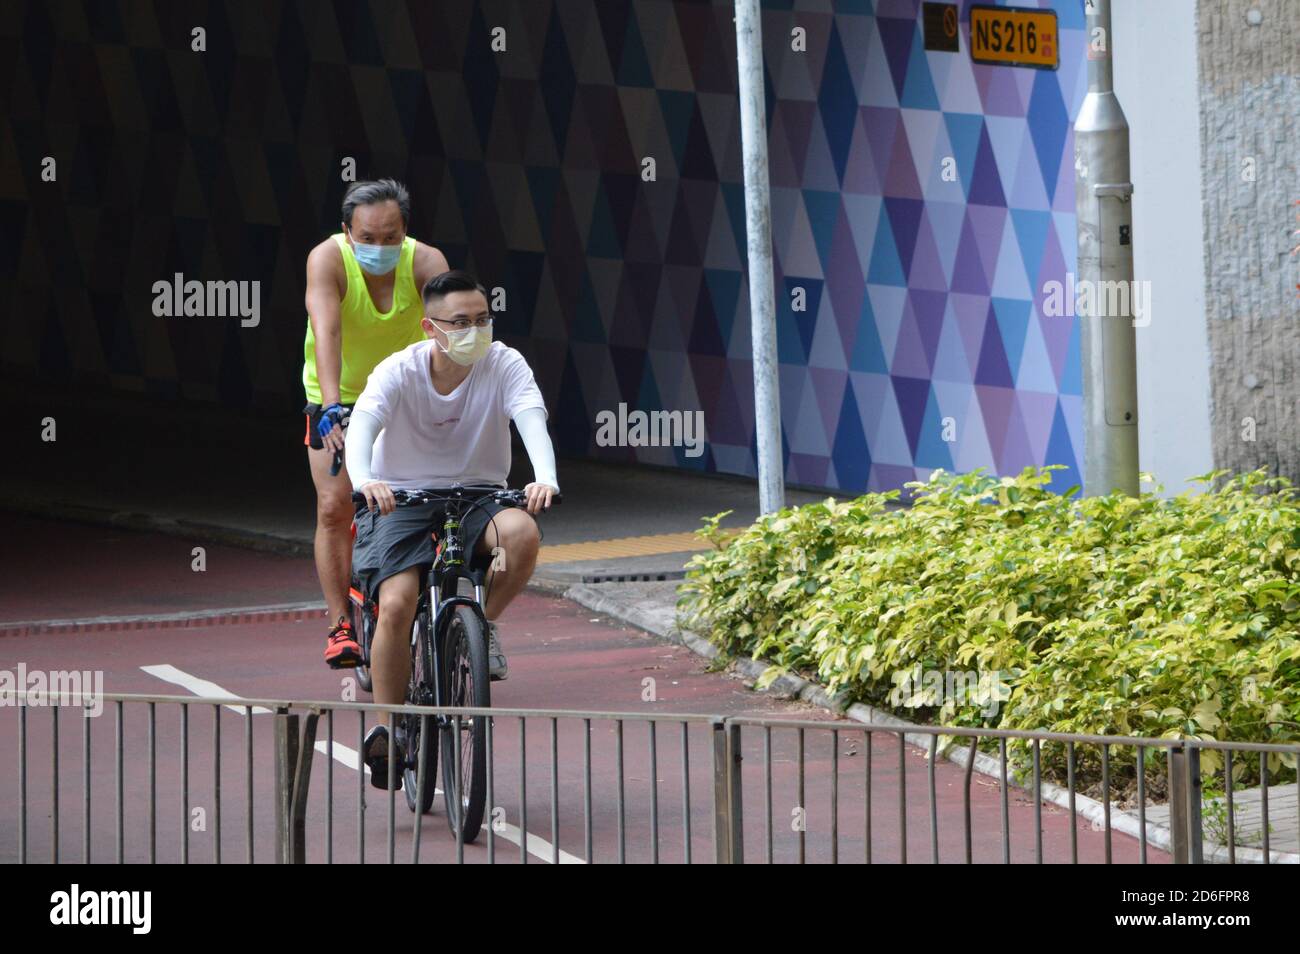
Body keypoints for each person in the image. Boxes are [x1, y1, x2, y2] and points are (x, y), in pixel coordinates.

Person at [344, 270, 559, 785]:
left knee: (522, 535)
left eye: (483, 319)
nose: (475, 331)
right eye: (460, 322)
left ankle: (481, 625)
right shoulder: (398, 371)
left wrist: (545, 477)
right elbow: (364, 426)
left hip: (479, 496)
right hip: (400, 497)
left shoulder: (504, 363)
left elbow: (531, 417)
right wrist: (366, 480)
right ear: (429, 328)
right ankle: (389, 730)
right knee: (397, 602)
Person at [302, 178, 450, 668]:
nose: (379, 247)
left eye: (390, 237)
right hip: (339, 395)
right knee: (334, 505)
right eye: (366, 238)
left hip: (406, 392)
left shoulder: (427, 262)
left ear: (405, 230)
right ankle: (340, 622)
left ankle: (445, 608)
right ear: (347, 232)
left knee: (437, 497)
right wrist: (328, 406)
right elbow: (328, 327)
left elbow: (451, 330)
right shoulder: (327, 258)